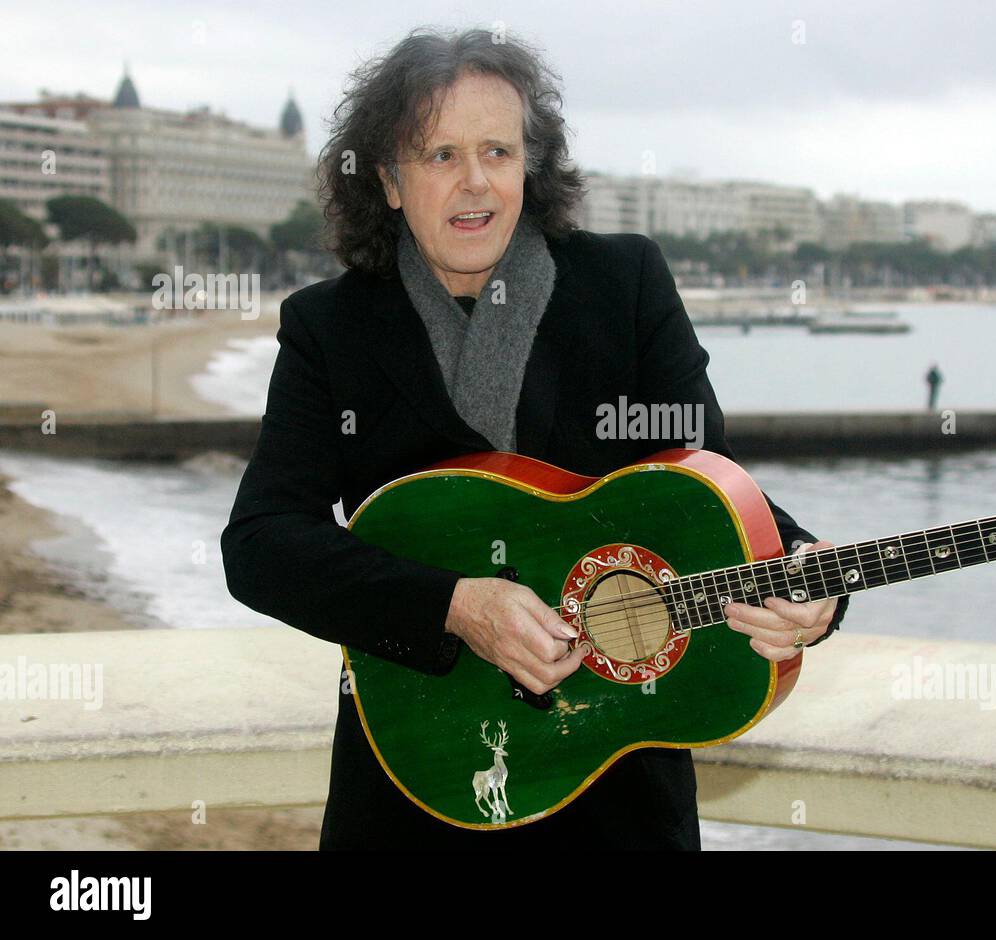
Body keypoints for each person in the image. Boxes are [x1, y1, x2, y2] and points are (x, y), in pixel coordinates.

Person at [221, 26, 849, 851]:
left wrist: (809, 577)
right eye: (439, 154)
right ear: (388, 181)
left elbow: (702, 488)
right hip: (414, 783)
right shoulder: (329, 327)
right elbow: (262, 544)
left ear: (531, 165)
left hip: (617, 792)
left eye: (498, 151)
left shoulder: (624, 284)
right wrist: (454, 607)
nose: (475, 181)